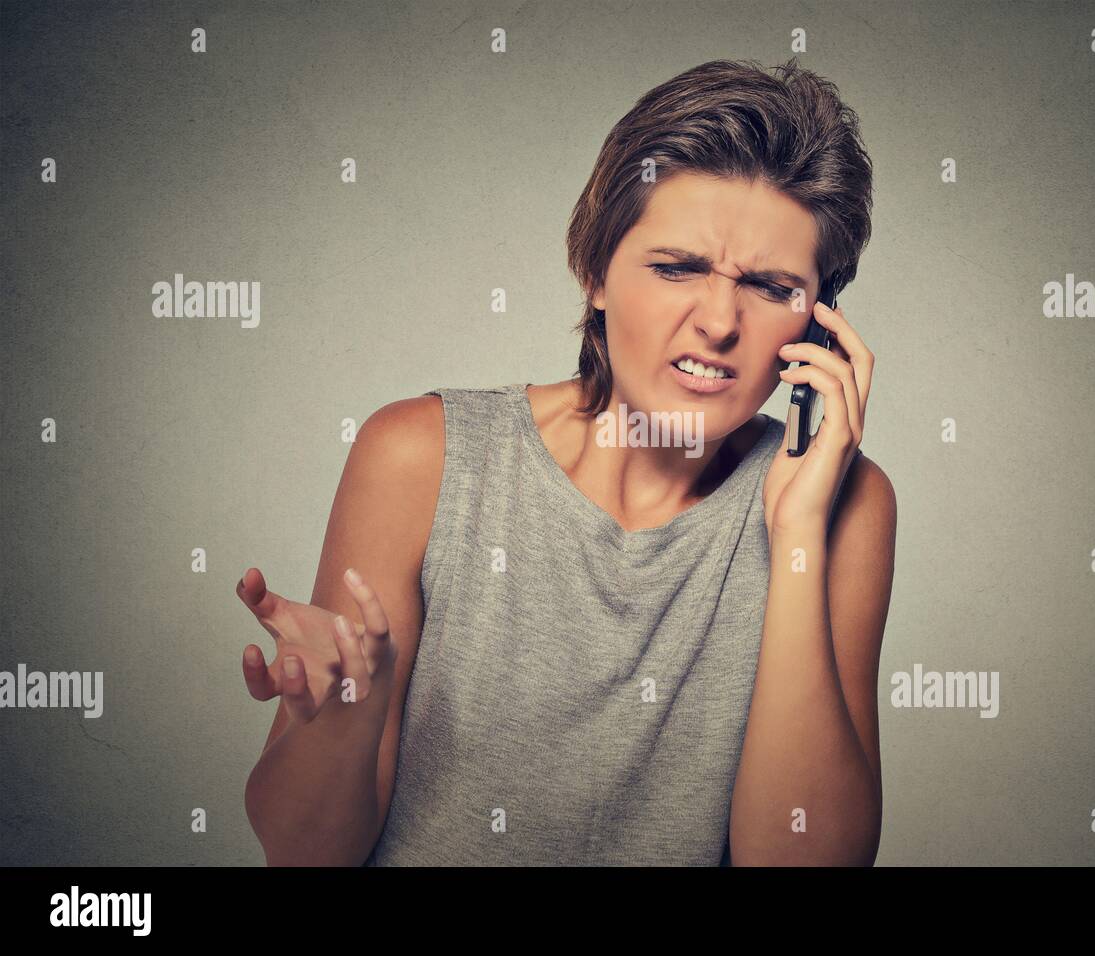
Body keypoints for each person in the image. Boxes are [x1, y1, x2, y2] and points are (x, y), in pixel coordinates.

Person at [240, 57, 896, 866]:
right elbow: (301, 856)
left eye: (768, 286)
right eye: (677, 267)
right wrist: (346, 721)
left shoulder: (846, 504)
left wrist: (797, 533)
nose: (719, 322)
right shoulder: (420, 458)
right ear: (594, 271)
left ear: (819, 325)